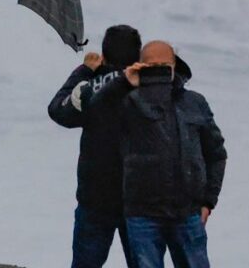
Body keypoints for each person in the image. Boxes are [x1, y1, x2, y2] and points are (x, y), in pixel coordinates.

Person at [91, 41, 226, 268]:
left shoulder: (195, 102)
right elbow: (95, 112)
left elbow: (216, 154)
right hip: (142, 214)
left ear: (175, 66)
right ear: (140, 66)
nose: (159, 70)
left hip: (188, 213)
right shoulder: (128, 102)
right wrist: (124, 82)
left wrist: (208, 201)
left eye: (164, 65)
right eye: (151, 65)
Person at [48, 25, 143, 268]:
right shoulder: (151, 89)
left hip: (96, 195)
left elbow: (58, 109)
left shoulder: (92, 89)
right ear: (138, 55)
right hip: (140, 195)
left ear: (105, 53)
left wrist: (85, 70)